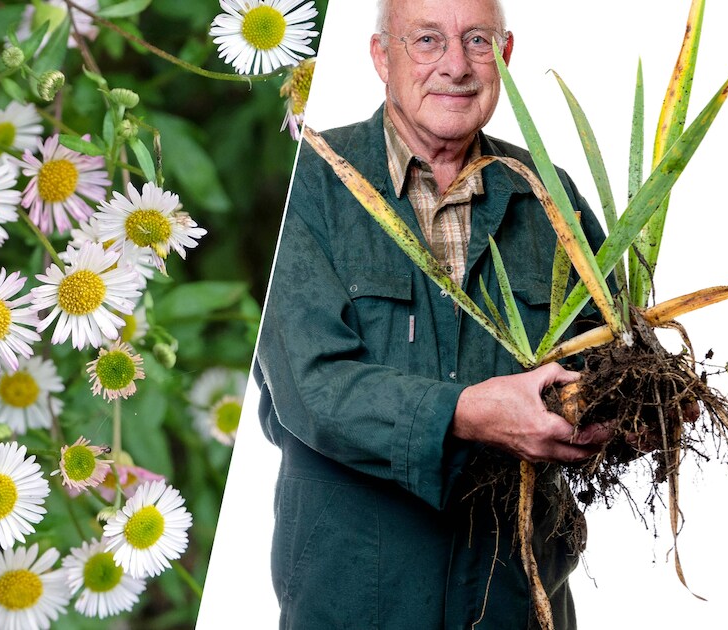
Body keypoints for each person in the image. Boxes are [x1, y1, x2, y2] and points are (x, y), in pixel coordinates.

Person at [254, 0, 615, 627]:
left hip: (516, 600)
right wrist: (465, 414)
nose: (456, 66)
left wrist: (633, 409)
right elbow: (311, 386)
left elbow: (612, 347)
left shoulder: (548, 195)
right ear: (380, 56)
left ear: (504, 55)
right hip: (355, 601)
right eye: (426, 40)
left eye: (477, 40)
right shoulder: (309, 184)